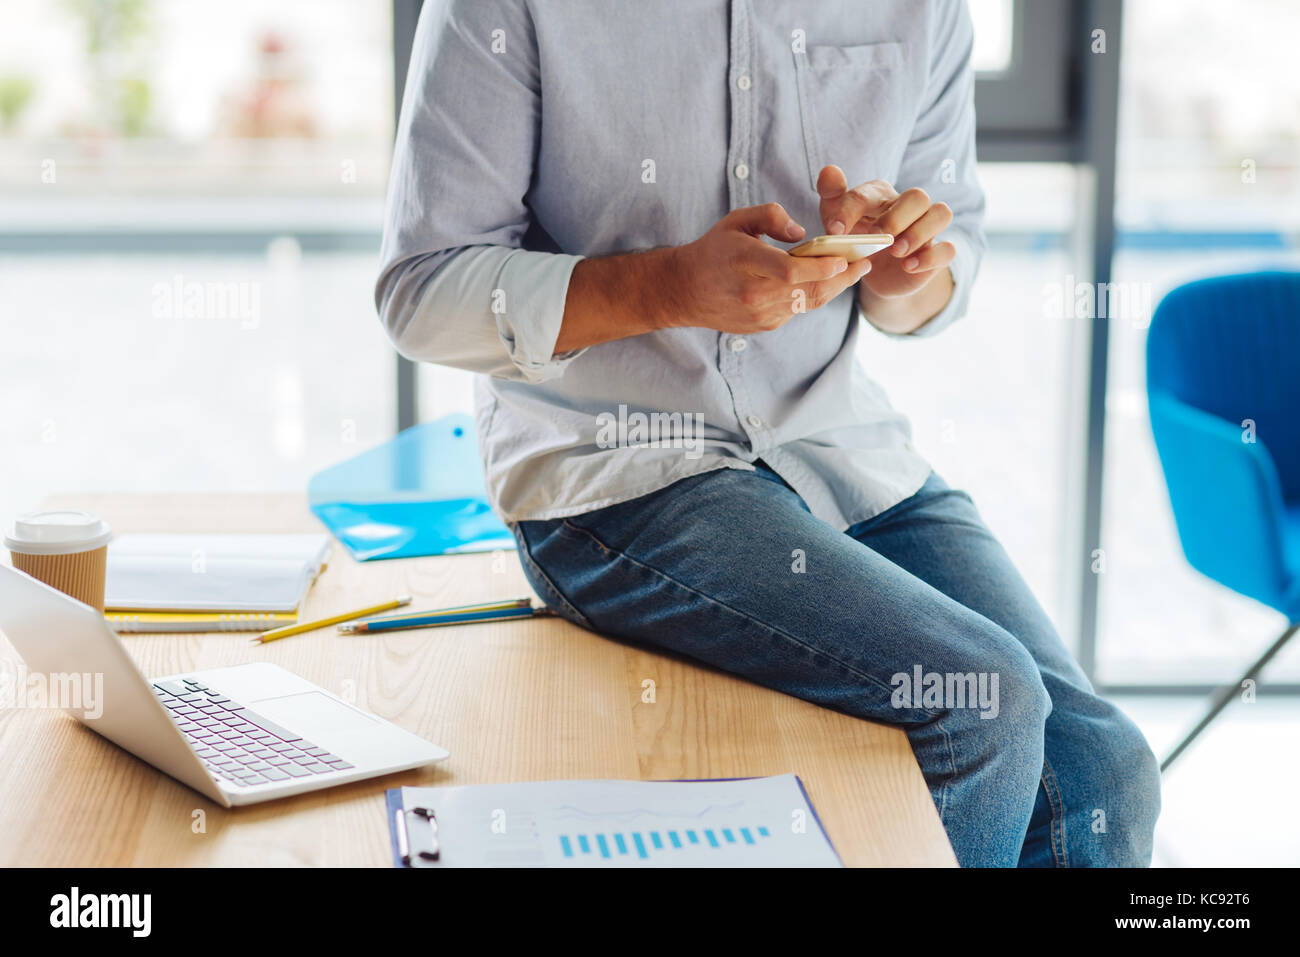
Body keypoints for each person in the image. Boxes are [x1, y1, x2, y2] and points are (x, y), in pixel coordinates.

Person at [376, 0, 1160, 867]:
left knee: (1105, 776)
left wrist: (902, 274)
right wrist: (666, 286)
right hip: (612, 467)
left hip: (833, 445)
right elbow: (421, 288)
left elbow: (950, 251)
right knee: (980, 704)